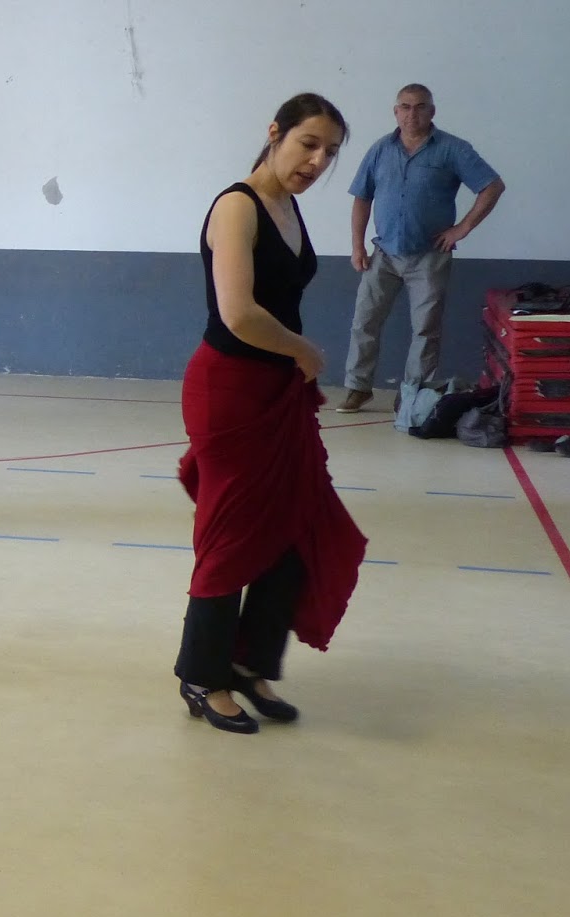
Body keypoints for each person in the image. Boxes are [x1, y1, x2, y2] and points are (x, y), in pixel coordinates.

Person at [175, 93, 369, 734]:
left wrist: (292, 362)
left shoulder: (288, 207)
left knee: (293, 528)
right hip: (230, 390)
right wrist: (304, 350)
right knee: (231, 534)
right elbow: (238, 313)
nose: (317, 161)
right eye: (308, 143)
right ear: (275, 133)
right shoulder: (237, 206)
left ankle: (250, 663)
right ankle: (202, 677)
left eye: (330, 153)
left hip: (277, 390)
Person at [337, 84, 505, 412]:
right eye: (405, 106)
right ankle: (358, 387)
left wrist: (463, 228)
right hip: (383, 254)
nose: (412, 113)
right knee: (364, 322)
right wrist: (357, 246)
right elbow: (362, 198)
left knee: (426, 330)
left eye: (420, 106)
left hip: (429, 256)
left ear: (432, 111)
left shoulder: (453, 149)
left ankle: (413, 393)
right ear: (395, 111)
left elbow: (492, 186)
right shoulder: (379, 150)